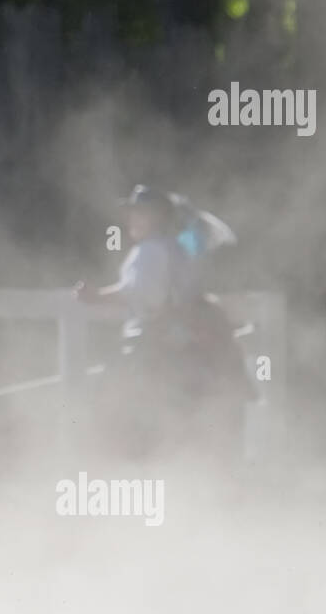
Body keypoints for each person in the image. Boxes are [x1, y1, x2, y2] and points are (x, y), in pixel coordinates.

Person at [76, 185, 246, 458]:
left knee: (119, 410)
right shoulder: (173, 249)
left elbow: (146, 298)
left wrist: (97, 297)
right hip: (177, 344)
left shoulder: (151, 251)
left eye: (139, 213)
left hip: (152, 345)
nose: (132, 219)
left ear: (155, 216)